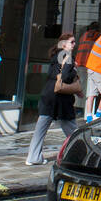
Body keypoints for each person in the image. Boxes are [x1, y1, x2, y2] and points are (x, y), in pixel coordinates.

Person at [25, 33, 81, 165]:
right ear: (64, 44)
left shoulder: (56, 56)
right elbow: (65, 77)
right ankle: (81, 155)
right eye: (72, 42)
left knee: (40, 129)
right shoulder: (67, 57)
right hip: (60, 99)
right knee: (72, 130)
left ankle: (33, 157)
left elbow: (54, 74)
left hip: (48, 95)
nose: (74, 44)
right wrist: (74, 70)